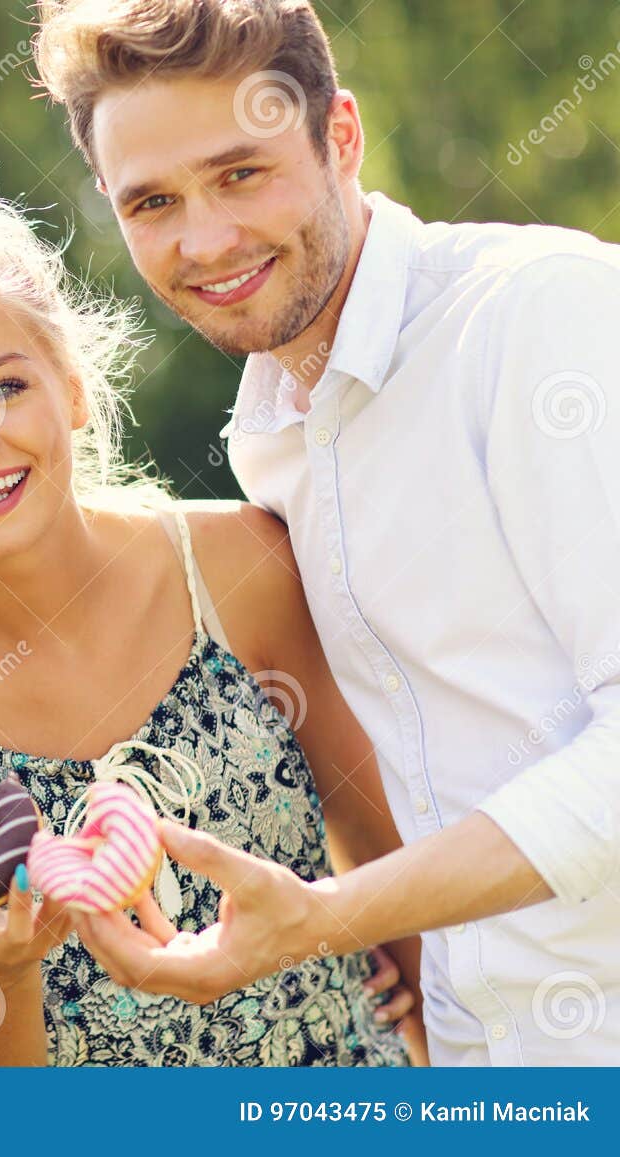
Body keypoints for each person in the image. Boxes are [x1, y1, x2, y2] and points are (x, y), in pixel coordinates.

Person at [34, 0, 620, 1064]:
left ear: (339, 136)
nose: (204, 240)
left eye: (241, 173)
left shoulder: (541, 317)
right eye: (152, 201)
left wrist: (325, 917)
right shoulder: (271, 439)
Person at [0, 167, 419, 1065]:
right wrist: (6, 968)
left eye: (6, 388)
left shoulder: (240, 565)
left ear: (73, 386)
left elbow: (390, 867)